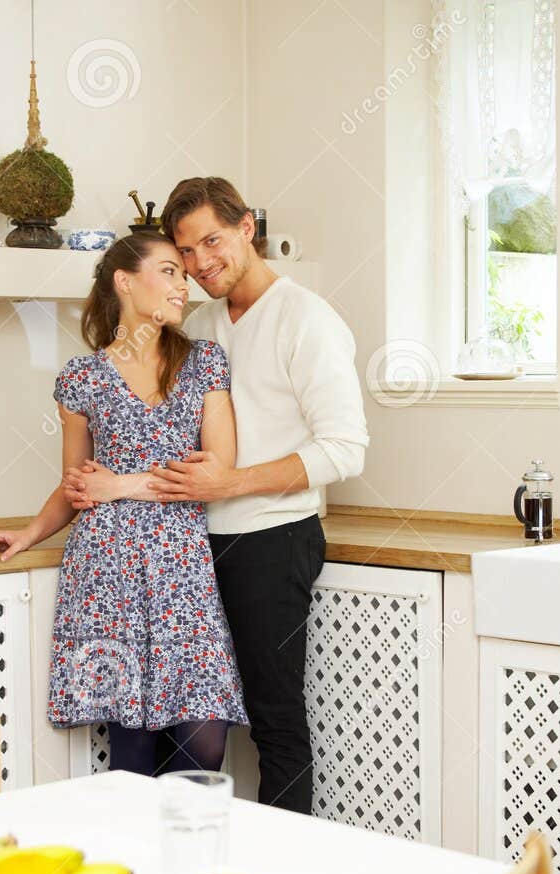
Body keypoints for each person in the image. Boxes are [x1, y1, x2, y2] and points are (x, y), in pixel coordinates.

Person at [0, 233, 246, 775]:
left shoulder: (204, 363)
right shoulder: (82, 378)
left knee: (205, 741)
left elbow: (217, 470)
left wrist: (121, 485)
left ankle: (180, 828)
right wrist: (28, 533)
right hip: (108, 570)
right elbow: (76, 487)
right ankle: (140, 832)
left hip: (182, 569)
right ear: (125, 281)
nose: (183, 285)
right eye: (169, 271)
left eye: (183, 274)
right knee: (132, 746)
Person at [144, 176, 369, 814]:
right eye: (186, 252)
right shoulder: (201, 324)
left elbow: (345, 450)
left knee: (274, 719)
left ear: (248, 228)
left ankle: (286, 868)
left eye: (212, 241)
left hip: (272, 539)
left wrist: (231, 483)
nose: (200, 263)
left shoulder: (307, 319)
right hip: (192, 542)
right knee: (188, 713)